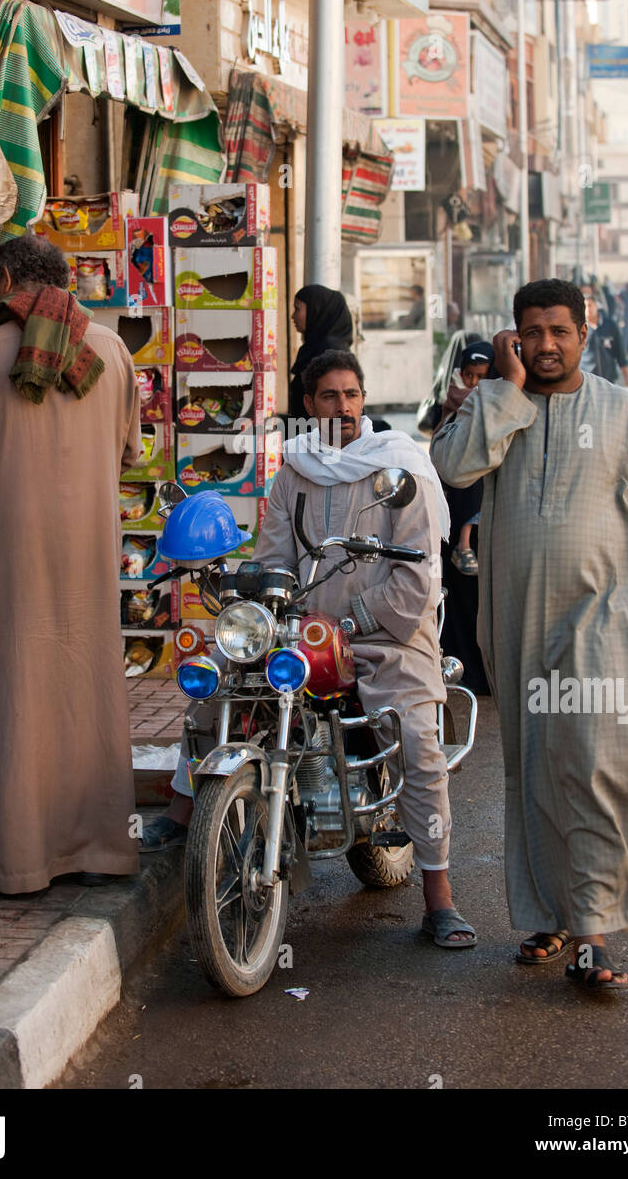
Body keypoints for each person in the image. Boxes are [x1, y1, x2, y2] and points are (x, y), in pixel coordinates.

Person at [145, 349, 477, 948]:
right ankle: (183, 813)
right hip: (302, 631)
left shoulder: (399, 468)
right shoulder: (294, 470)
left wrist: (348, 618)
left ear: (364, 401)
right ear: (309, 406)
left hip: (386, 635)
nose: (343, 407)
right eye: (330, 396)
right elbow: (273, 557)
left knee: (418, 742)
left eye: (352, 395)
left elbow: (418, 582)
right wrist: (253, 591)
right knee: (213, 681)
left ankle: (439, 896)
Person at [431, 279, 628, 990]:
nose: (547, 344)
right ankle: (548, 915)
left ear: (585, 333)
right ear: (514, 338)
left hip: (600, 616)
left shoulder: (619, 410)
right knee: (534, 765)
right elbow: (452, 467)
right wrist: (504, 390)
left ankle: (592, 930)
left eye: (560, 330)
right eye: (532, 332)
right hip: (518, 617)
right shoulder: (499, 405)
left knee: (591, 760)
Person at [0, 234, 142, 893]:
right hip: (90, 560)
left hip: (8, 562)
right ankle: (100, 848)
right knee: (87, 693)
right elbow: (130, 453)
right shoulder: (111, 351)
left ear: (5, 278)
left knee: (8, 700)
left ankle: (17, 863)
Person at [432, 342, 495, 576]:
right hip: (453, 463)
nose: (474, 382)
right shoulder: (457, 387)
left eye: (482, 376)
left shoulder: (496, 395)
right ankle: (463, 544)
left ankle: (465, 542)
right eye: (470, 375)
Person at [287, 284, 353, 425]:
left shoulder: (330, 357)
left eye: (297, 309)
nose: (293, 316)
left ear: (315, 311)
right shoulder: (313, 349)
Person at [579, 283, 628, 386]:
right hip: (586, 381)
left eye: (590, 305)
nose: (588, 310)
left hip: (608, 378)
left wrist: (627, 378)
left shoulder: (610, 326)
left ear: (597, 306)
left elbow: (620, 352)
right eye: (585, 307)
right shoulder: (577, 328)